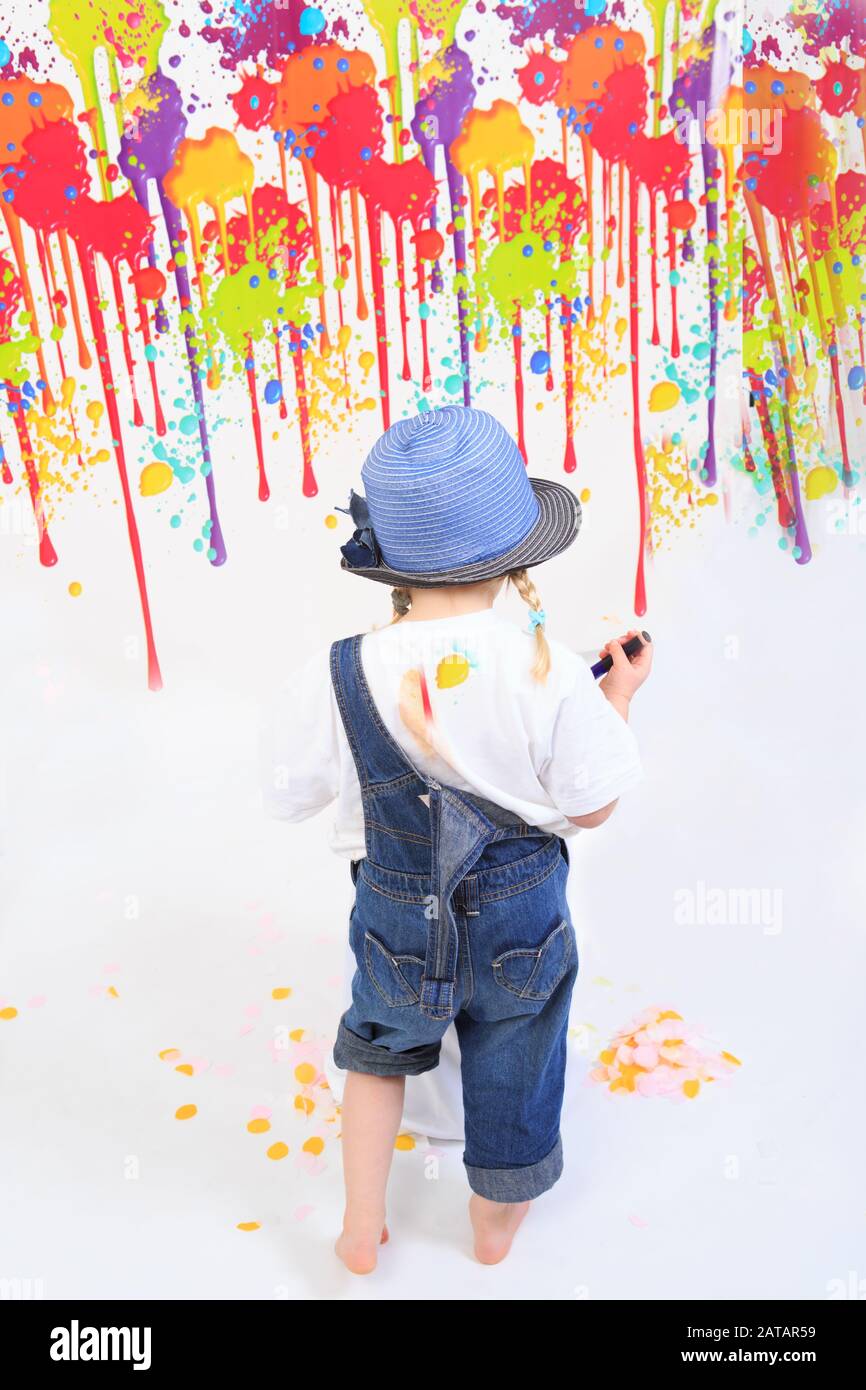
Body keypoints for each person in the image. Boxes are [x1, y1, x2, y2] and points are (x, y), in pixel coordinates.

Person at [262, 405, 652, 1273]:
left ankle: (361, 1224)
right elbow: (592, 808)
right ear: (518, 558)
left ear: (391, 563)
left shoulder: (340, 668)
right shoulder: (543, 665)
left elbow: (286, 795)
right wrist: (616, 698)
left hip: (394, 917)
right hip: (522, 918)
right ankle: (491, 1222)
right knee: (518, 1047)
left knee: (376, 1048)